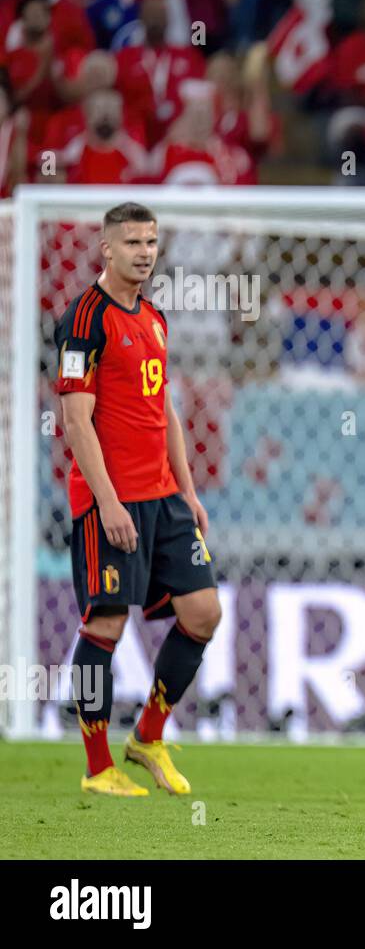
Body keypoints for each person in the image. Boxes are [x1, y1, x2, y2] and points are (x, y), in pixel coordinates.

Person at [54, 201, 222, 797]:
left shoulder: (153, 317)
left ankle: (147, 737)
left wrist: (190, 490)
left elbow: (165, 410)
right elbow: (76, 422)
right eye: (132, 243)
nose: (145, 252)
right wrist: (107, 503)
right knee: (105, 621)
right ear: (106, 248)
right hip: (112, 497)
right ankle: (98, 766)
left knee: (204, 613)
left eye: (151, 242)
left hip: (164, 496)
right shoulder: (83, 319)